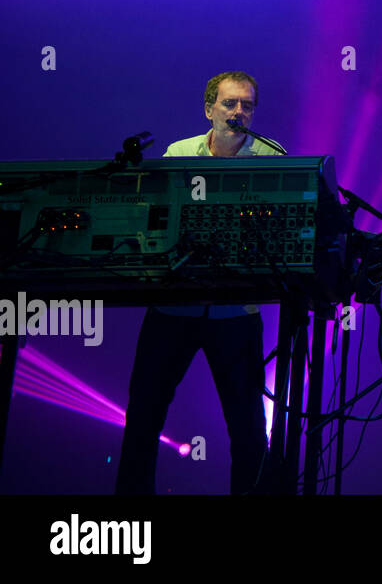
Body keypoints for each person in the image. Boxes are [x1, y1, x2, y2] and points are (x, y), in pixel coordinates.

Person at [116, 71, 282, 494]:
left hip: (235, 309)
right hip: (175, 305)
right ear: (209, 110)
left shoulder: (270, 156)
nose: (239, 111)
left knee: (246, 426)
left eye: (247, 104)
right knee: (143, 419)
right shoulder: (179, 152)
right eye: (230, 103)